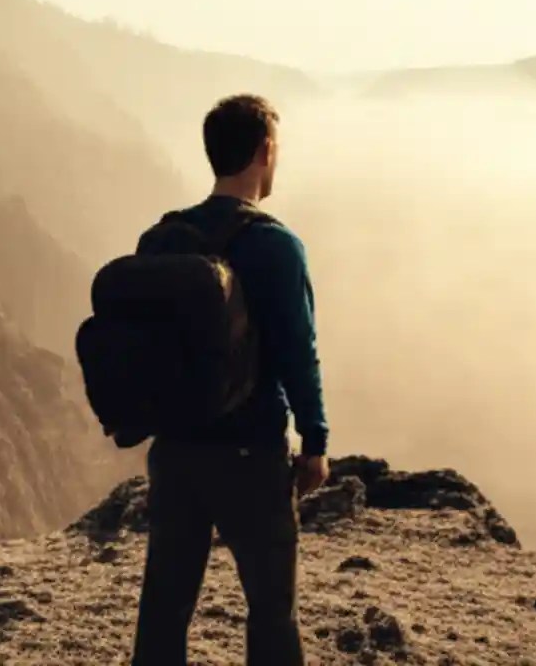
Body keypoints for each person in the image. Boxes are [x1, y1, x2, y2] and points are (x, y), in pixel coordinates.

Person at [132, 94, 330, 665]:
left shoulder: (161, 240)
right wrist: (315, 442)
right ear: (265, 151)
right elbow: (299, 349)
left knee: (164, 608)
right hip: (252, 454)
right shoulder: (276, 246)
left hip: (175, 451)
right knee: (271, 611)